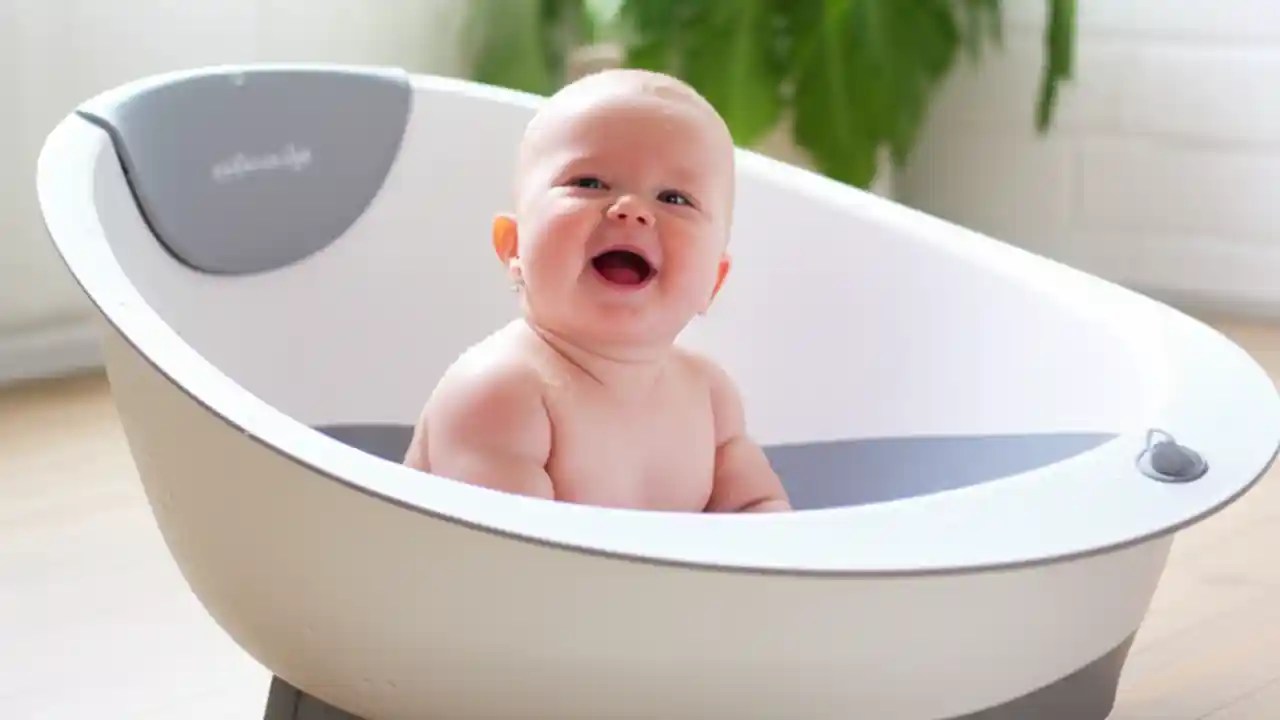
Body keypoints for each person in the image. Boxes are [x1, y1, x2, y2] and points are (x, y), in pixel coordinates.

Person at [403, 68, 791, 513]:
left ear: (714, 282)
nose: (631, 210)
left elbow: (763, 523)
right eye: (589, 183)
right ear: (513, 247)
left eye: (674, 198)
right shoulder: (501, 393)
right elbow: (507, 566)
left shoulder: (710, 398)